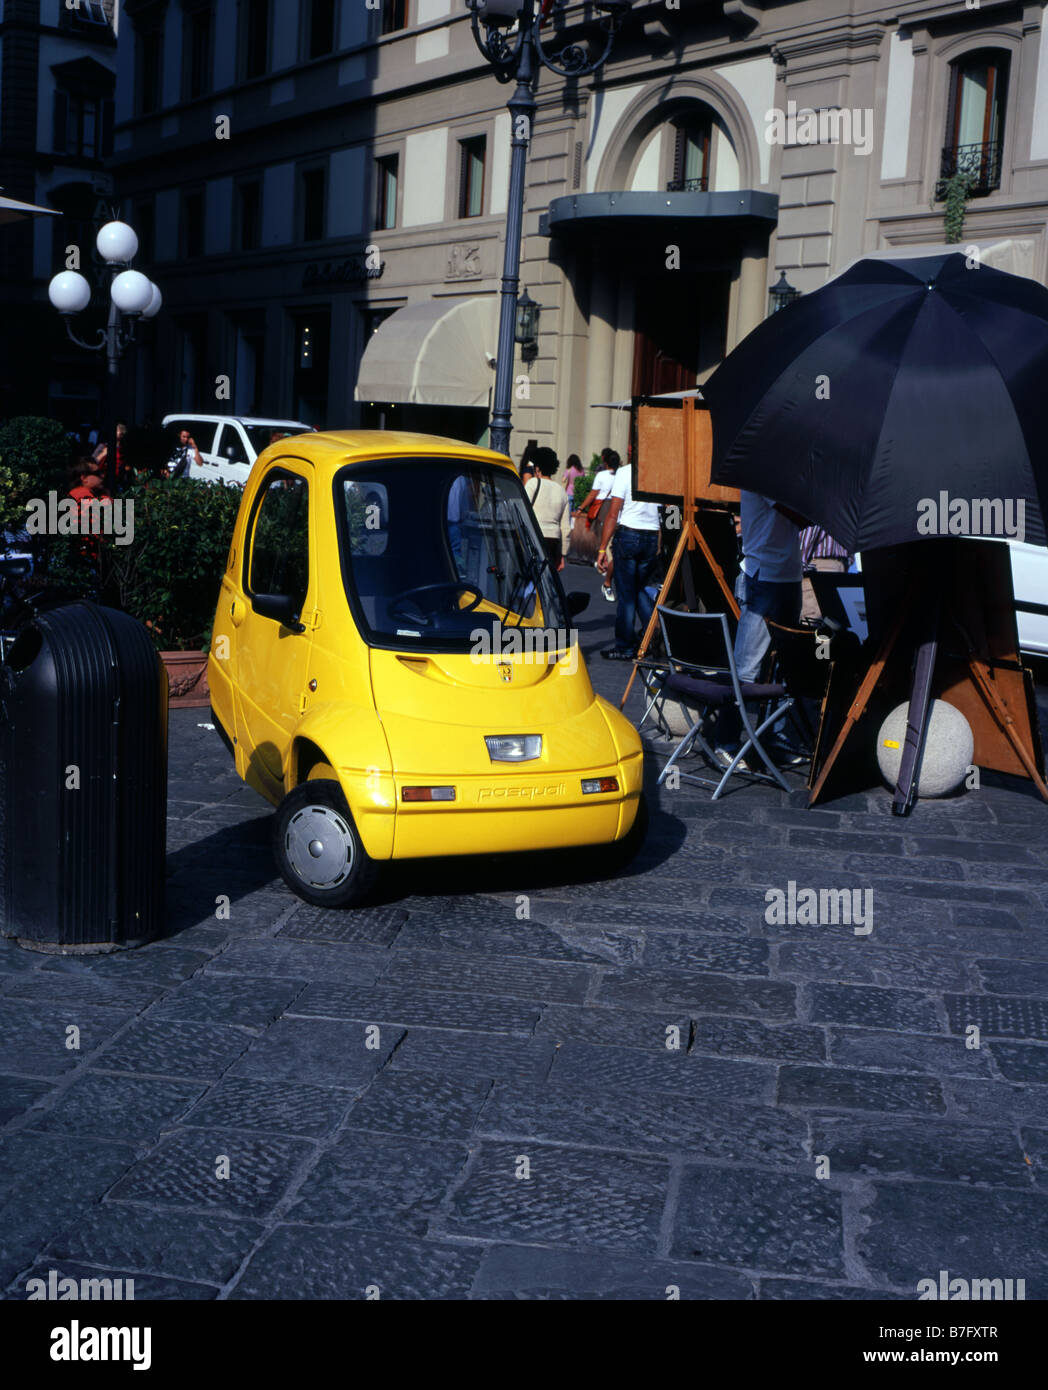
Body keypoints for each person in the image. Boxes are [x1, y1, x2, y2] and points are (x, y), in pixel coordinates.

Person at [712, 490, 805, 766]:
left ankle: (773, 737)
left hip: (789, 576)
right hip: (764, 576)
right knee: (747, 667)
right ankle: (726, 740)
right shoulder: (765, 473)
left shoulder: (784, 471)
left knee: (783, 665)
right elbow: (796, 514)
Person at [596, 458, 661, 659]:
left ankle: (625, 647)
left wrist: (602, 548)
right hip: (652, 536)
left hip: (629, 534)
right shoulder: (660, 471)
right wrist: (669, 538)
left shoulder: (626, 472)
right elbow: (670, 508)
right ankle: (654, 637)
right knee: (640, 589)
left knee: (626, 595)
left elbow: (613, 514)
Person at [523, 447, 570, 571]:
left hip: (534, 535)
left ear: (537, 467)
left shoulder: (533, 483)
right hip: (553, 540)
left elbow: (523, 509)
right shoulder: (561, 491)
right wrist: (562, 554)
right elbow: (565, 527)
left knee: (529, 573)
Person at [799, 523, 850, 622]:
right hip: (838, 567)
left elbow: (806, 535)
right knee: (833, 624)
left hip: (816, 569)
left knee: (813, 625)